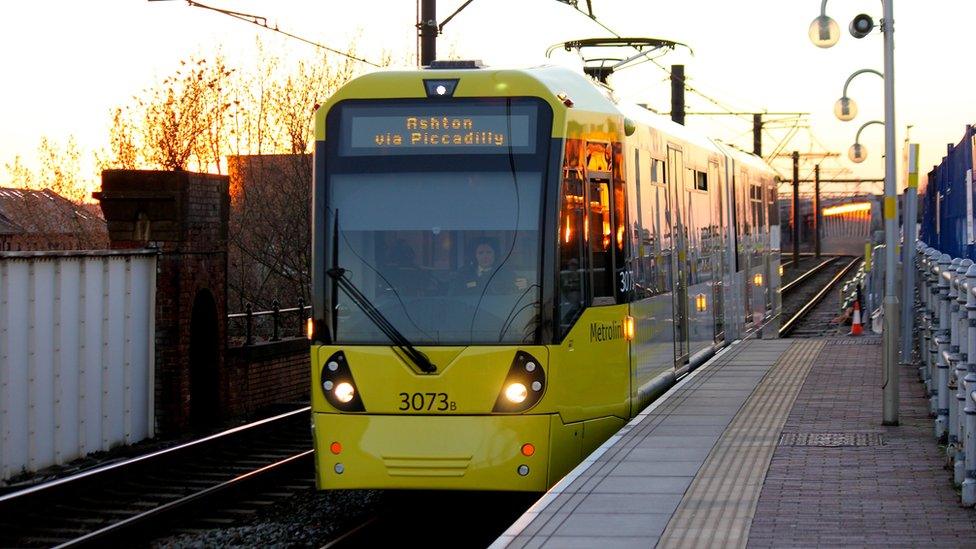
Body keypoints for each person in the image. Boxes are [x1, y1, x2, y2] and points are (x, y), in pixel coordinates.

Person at [452, 238, 521, 295]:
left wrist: (525, 284)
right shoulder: (463, 274)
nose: (485, 256)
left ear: (495, 254)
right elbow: (453, 297)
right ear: (475, 255)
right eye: (480, 253)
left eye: (489, 252)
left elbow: (519, 290)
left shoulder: (506, 274)